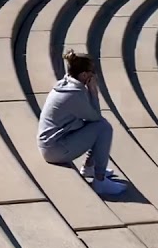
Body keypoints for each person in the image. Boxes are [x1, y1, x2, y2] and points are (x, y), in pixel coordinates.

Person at [36, 50, 126, 196]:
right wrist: (94, 92)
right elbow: (96, 117)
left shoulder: (66, 84)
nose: (94, 76)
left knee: (98, 127)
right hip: (55, 150)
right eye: (92, 73)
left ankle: (90, 167)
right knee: (104, 128)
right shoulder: (74, 94)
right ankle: (100, 181)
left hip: (52, 143)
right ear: (84, 75)